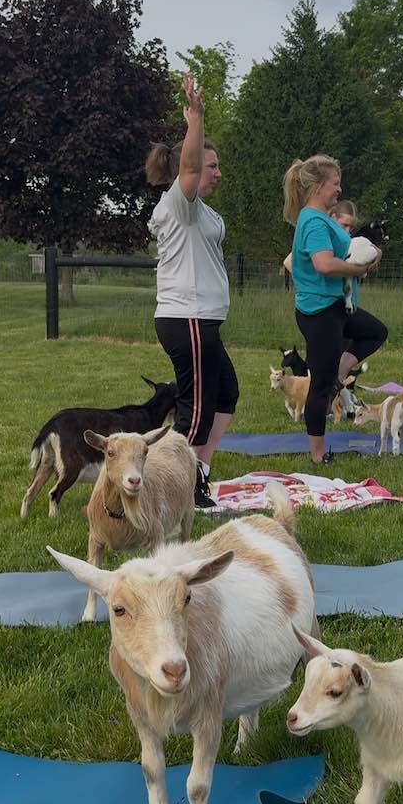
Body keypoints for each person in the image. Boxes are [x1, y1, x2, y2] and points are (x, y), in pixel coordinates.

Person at [145, 75, 238, 510]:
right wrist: (196, 119)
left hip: (204, 320)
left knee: (226, 394)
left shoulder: (202, 211)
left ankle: (198, 474)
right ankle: (177, 488)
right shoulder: (178, 206)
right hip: (188, 319)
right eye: (211, 166)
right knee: (195, 410)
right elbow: (188, 168)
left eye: (216, 166)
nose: (217, 173)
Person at [283, 155, 387, 464]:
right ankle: (317, 454)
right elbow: (324, 264)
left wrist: (367, 256)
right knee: (320, 386)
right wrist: (357, 270)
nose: (339, 189)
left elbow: (344, 254)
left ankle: (341, 370)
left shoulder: (324, 217)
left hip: (337, 307)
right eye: (335, 183)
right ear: (317, 186)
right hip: (320, 311)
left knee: (375, 332)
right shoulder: (313, 220)